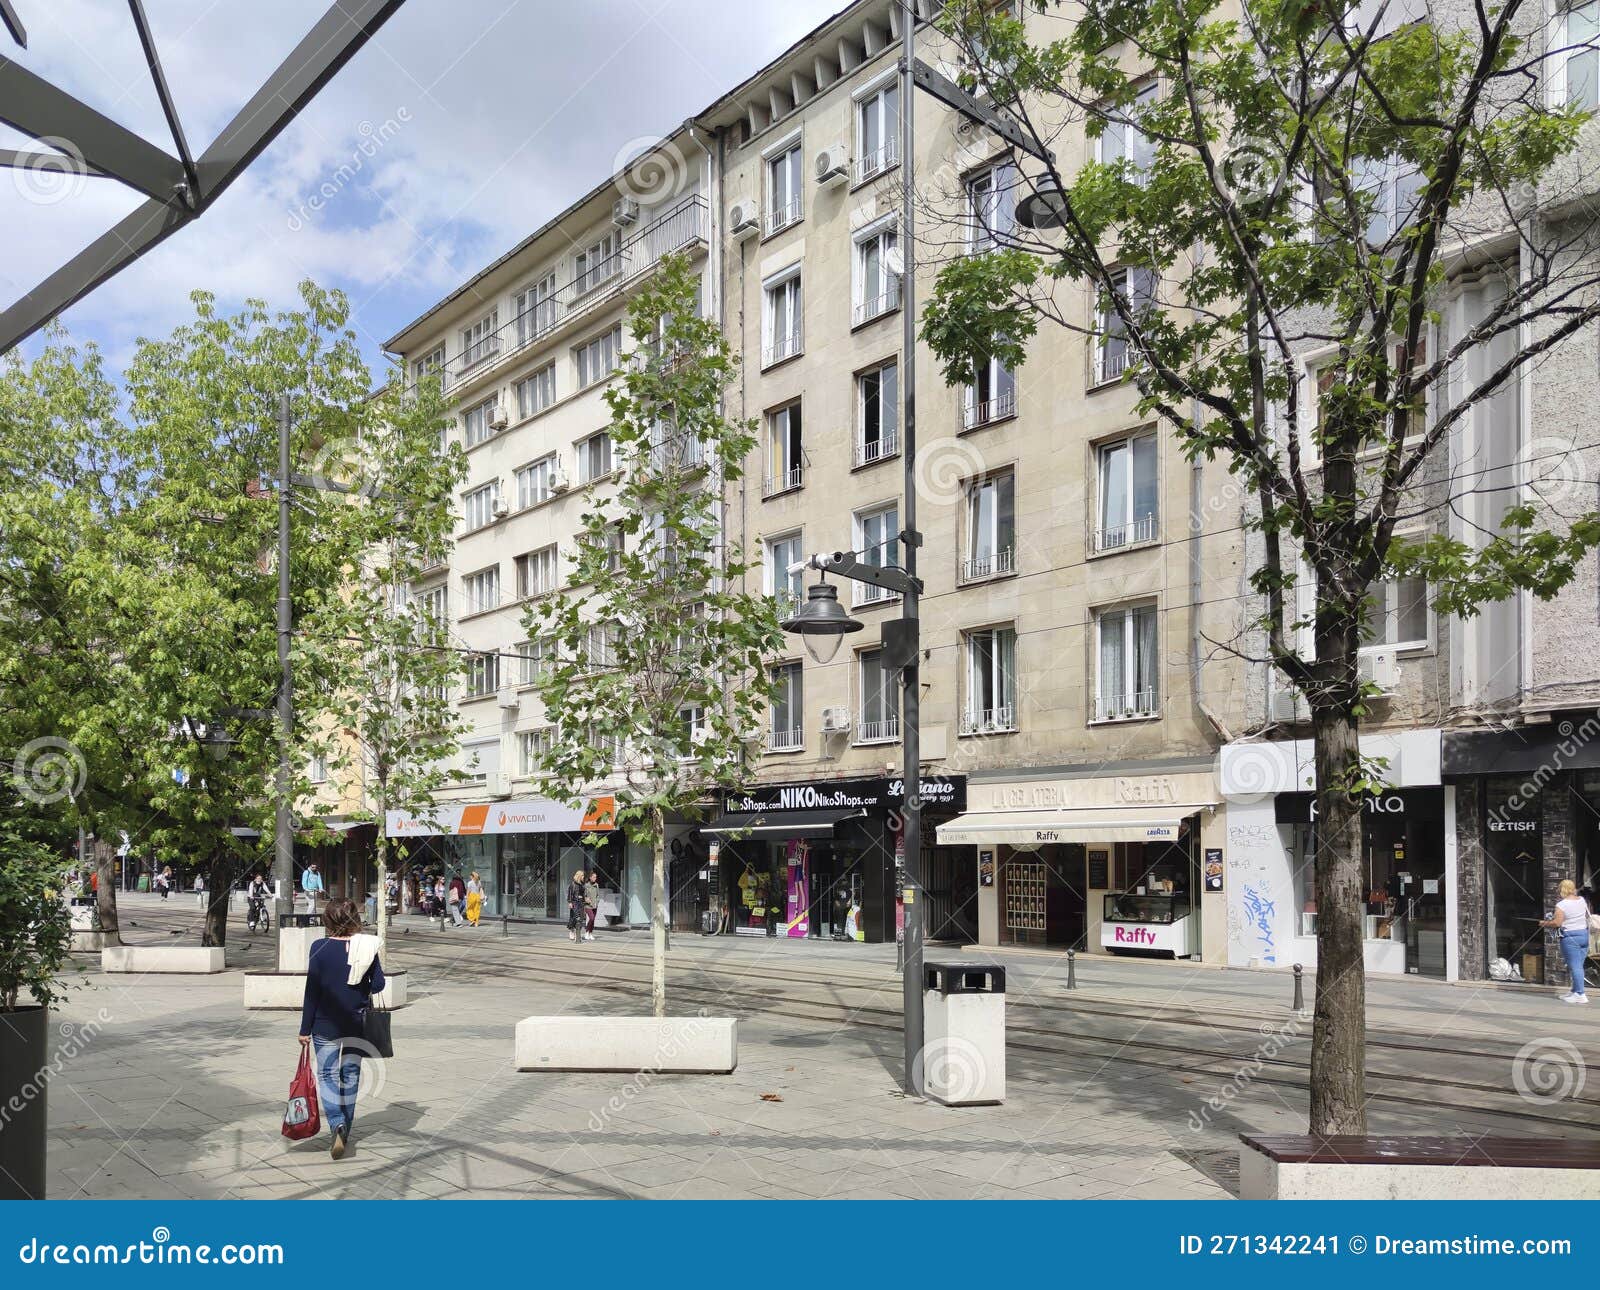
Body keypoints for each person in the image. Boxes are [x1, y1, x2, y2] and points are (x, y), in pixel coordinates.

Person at [298, 898, 385, 1159]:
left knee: (327, 1075)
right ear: (354, 919)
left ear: (328, 920)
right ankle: (344, 1128)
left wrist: (304, 1029)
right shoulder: (367, 948)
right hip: (357, 1022)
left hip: (324, 1025)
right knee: (351, 1076)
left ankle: (336, 1121)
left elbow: (311, 992)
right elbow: (379, 984)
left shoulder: (318, 948)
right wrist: (359, 984)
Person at [1540, 878, 1592, 1004]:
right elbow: (1585, 916)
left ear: (1561, 890)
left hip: (1570, 937)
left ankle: (1580, 994)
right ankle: (1574, 991)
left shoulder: (1561, 905)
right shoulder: (1581, 900)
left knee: (1575, 967)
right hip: (1584, 935)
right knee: (1578, 965)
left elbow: (1557, 923)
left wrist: (1544, 923)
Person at [567, 868, 587, 942]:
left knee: (581, 918)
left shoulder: (582, 884)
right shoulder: (572, 884)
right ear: (579, 876)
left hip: (581, 903)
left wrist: (585, 900)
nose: (583, 877)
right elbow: (570, 894)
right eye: (582, 876)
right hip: (575, 902)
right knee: (575, 917)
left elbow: (583, 894)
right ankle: (572, 931)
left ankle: (577, 933)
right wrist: (570, 902)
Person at [583, 872, 600, 940]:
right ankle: (587, 932)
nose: (595, 878)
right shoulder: (586, 885)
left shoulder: (596, 885)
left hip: (595, 905)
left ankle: (590, 933)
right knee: (592, 918)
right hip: (588, 906)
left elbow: (598, 895)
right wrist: (586, 899)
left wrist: (597, 901)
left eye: (595, 877)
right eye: (593, 877)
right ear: (590, 877)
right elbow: (583, 895)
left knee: (593, 920)